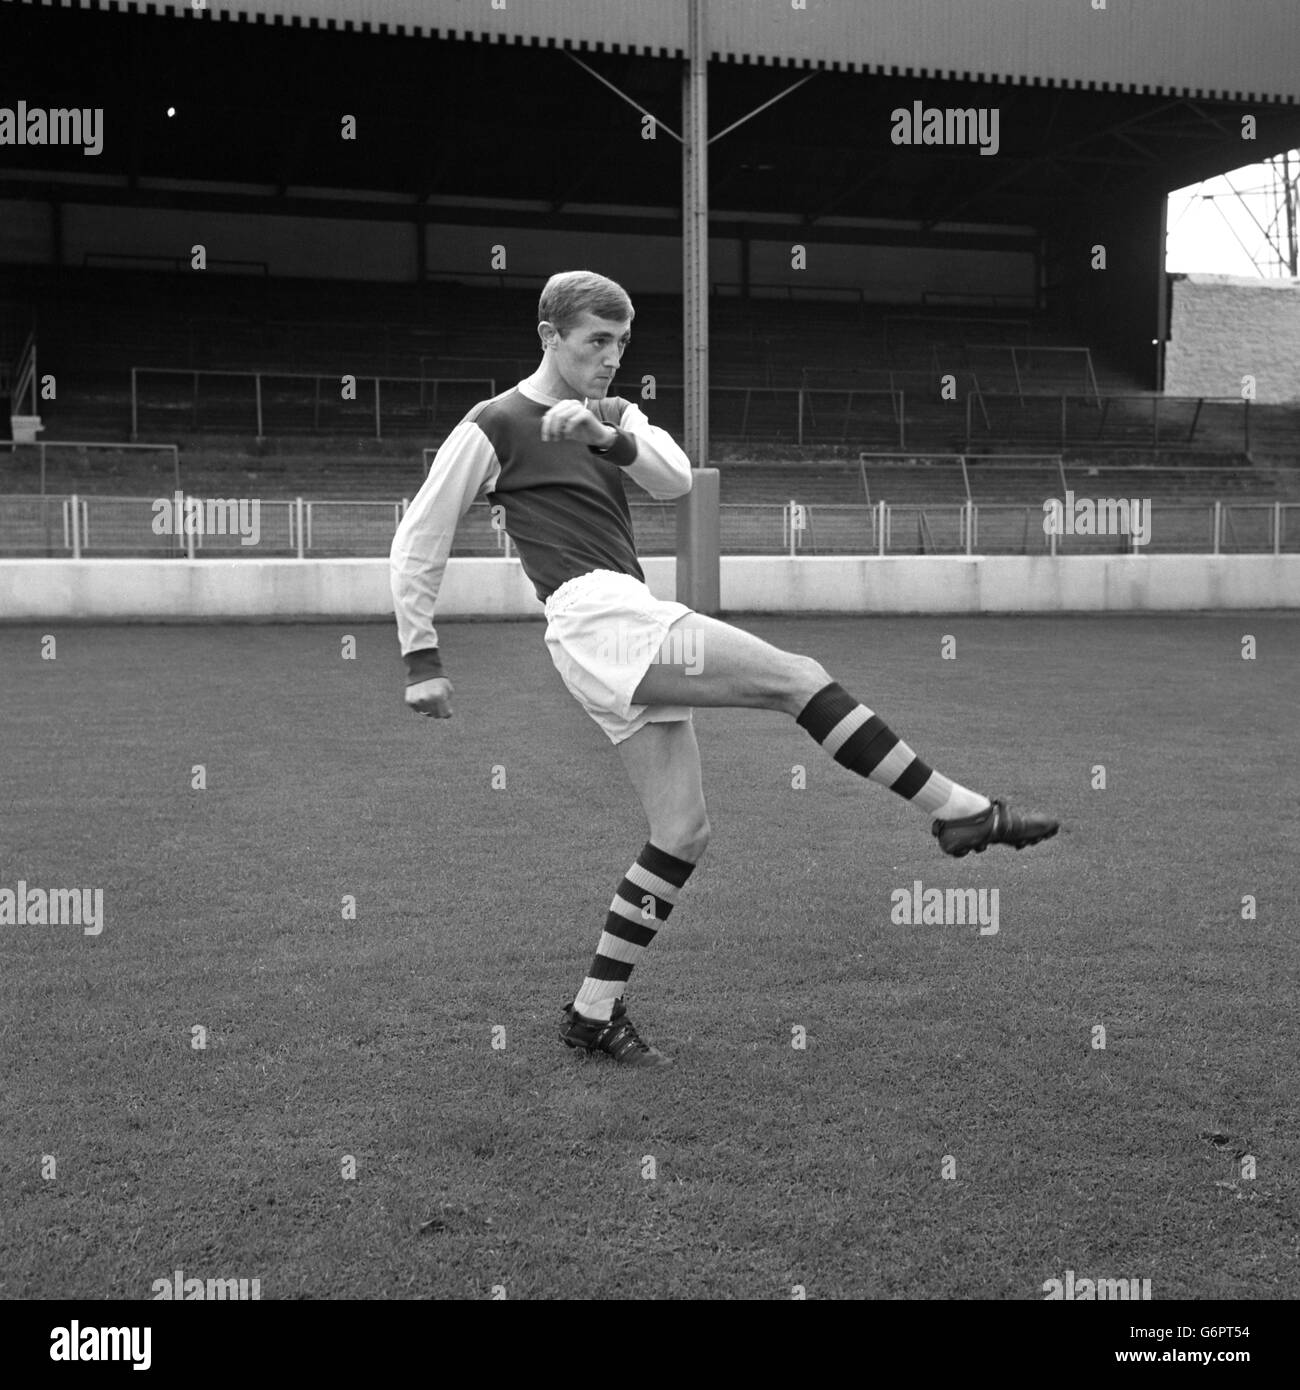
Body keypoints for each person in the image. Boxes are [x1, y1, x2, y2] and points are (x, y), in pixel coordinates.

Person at [390, 270, 1059, 1069]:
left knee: (682, 831)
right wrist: (421, 656)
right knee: (796, 677)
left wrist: (606, 435)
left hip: (619, 620)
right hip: (597, 617)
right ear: (548, 336)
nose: (610, 359)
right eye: (594, 342)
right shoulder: (493, 423)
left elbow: (674, 480)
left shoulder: (613, 415)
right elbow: (419, 538)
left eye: (622, 344)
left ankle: (592, 1012)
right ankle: (962, 812)